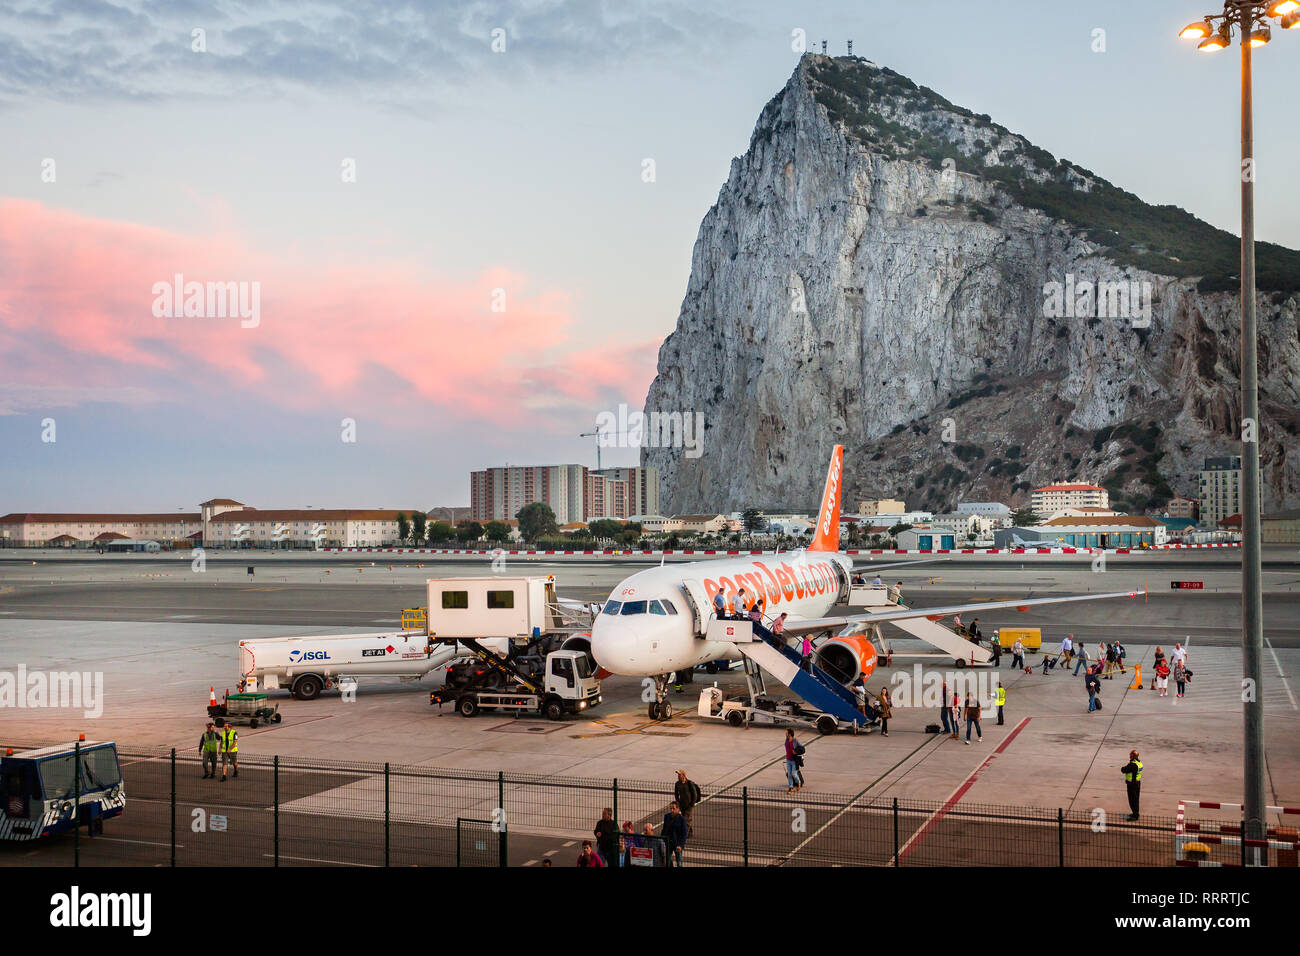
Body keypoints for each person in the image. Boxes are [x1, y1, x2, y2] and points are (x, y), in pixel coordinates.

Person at [674, 769, 701, 837]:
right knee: (685, 819)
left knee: (686, 820)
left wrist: (692, 804)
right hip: (682, 804)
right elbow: (676, 794)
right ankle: (690, 832)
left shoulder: (689, 783)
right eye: (678, 775)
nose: (678, 776)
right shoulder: (677, 784)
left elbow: (694, 794)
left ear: (683, 775)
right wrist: (678, 802)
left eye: (679, 775)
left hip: (689, 805)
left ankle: (684, 834)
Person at [662, 802, 688, 867]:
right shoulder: (667, 816)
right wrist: (662, 839)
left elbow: (684, 834)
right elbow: (664, 829)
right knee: (668, 861)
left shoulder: (682, 819)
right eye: (670, 808)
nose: (672, 810)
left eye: (673, 808)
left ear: (678, 809)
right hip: (668, 843)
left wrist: (681, 845)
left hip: (677, 844)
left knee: (679, 862)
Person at [1121, 750, 1143, 820]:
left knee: (1132, 800)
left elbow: (1124, 770)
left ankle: (1135, 816)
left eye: (1131, 755)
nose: (1130, 756)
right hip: (1137, 783)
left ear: (1133, 756)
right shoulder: (1139, 763)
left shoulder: (1132, 764)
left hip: (1132, 784)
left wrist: (1122, 768)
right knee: (1136, 799)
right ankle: (1135, 813)